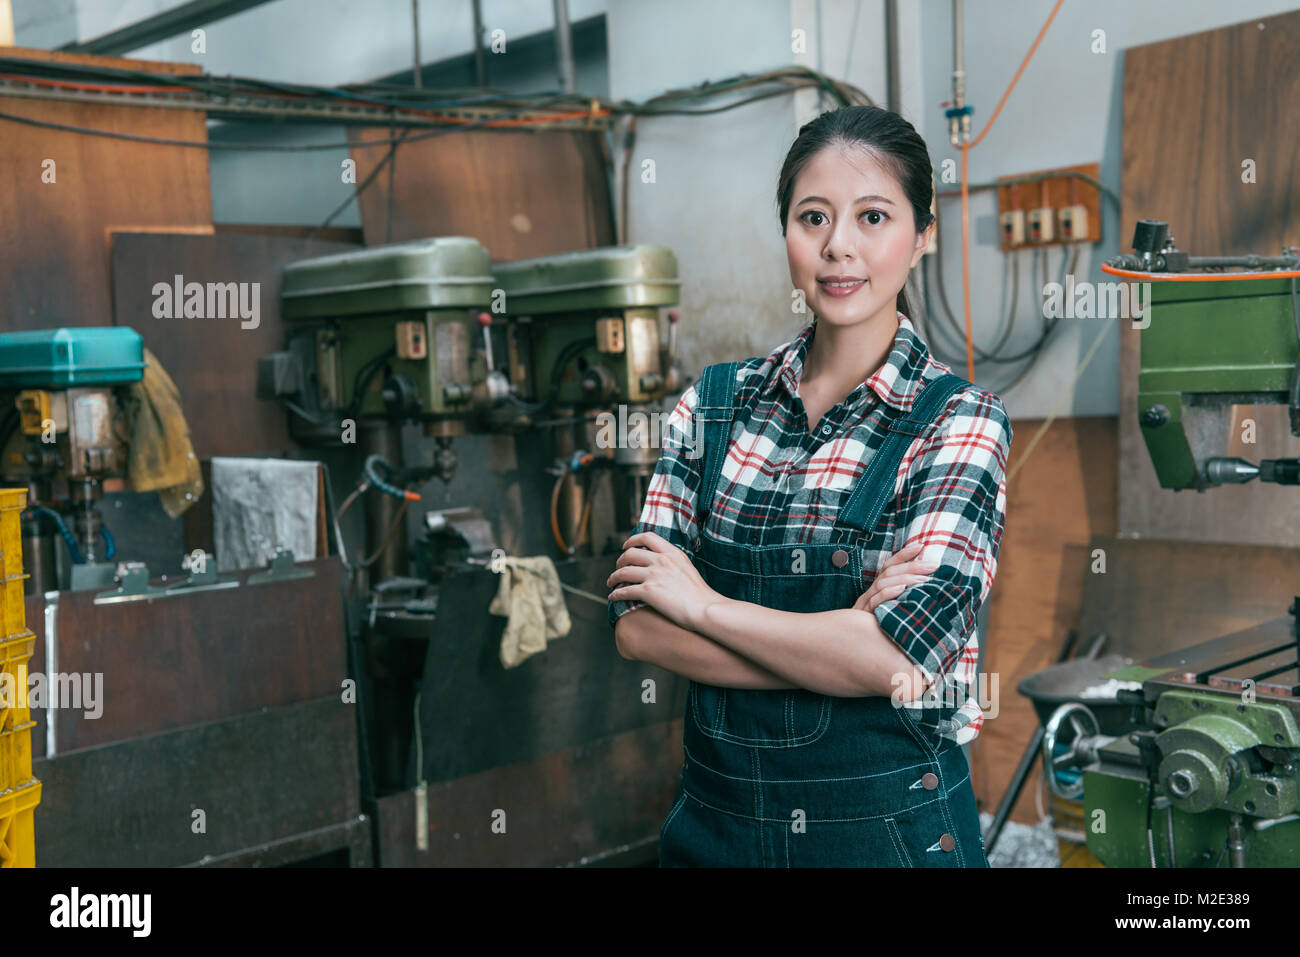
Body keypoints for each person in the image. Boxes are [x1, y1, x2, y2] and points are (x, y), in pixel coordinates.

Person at [606, 104, 1012, 867]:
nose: (839, 247)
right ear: (786, 228)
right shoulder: (716, 402)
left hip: (888, 836)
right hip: (715, 833)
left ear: (923, 236)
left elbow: (898, 660)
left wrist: (702, 605)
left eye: (873, 216)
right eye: (813, 216)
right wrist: (841, 647)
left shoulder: (960, 422)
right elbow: (636, 625)